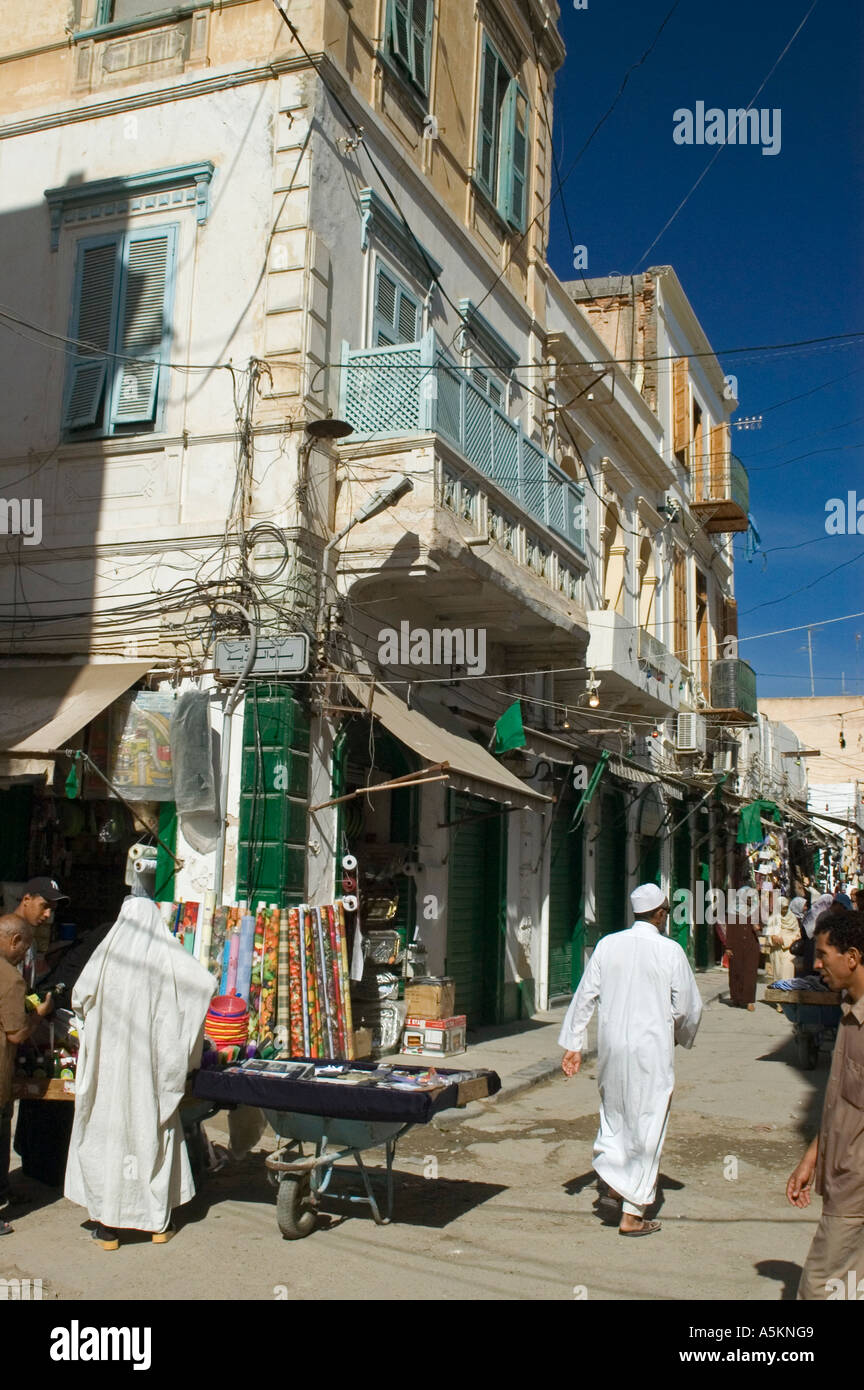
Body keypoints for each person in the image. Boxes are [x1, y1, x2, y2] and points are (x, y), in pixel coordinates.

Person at [64, 897, 215, 1250]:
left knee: (106, 1138)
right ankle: (157, 1225)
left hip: (107, 1072)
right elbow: (204, 985)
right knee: (151, 1135)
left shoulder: (109, 954)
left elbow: (78, 997)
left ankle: (108, 1228)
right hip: (150, 1073)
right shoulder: (166, 956)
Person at [559, 883, 703, 1237]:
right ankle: (633, 1212)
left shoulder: (608, 945)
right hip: (650, 1050)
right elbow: (687, 1007)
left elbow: (584, 996)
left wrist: (574, 1044)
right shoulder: (670, 951)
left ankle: (612, 1184)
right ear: (659, 914)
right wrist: (676, 1033)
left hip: (613, 1049)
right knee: (648, 1124)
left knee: (615, 1115)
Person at [786, 909, 864, 1299]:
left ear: (851, 957)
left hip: (855, 1190)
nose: (816, 966)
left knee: (818, 1287)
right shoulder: (849, 1013)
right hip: (840, 1179)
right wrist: (812, 1158)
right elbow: (842, 1103)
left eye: (823, 955)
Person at [0, 915, 53, 1236]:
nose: (24, 956)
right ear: (14, 941)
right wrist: (39, 1016)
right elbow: (17, 1035)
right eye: (25, 949)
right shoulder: (11, 979)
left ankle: (3, 1189)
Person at [725, 890, 762, 1010]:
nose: (750, 900)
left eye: (752, 898)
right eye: (748, 898)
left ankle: (749, 1001)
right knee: (736, 971)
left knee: (750, 973)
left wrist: (758, 927)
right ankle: (736, 997)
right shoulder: (732, 911)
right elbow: (729, 930)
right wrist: (728, 947)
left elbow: (762, 927)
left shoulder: (756, 911)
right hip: (736, 945)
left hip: (751, 946)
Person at [766, 896, 801, 984]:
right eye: (782, 908)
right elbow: (769, 933)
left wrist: (785, 940)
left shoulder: (792, 919)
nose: (784, 910)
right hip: (776, 951)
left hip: (788, 951)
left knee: (787, 975)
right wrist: (773, 938)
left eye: (786, 908)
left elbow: (797, 935)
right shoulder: (773, 918)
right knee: (777, 975)